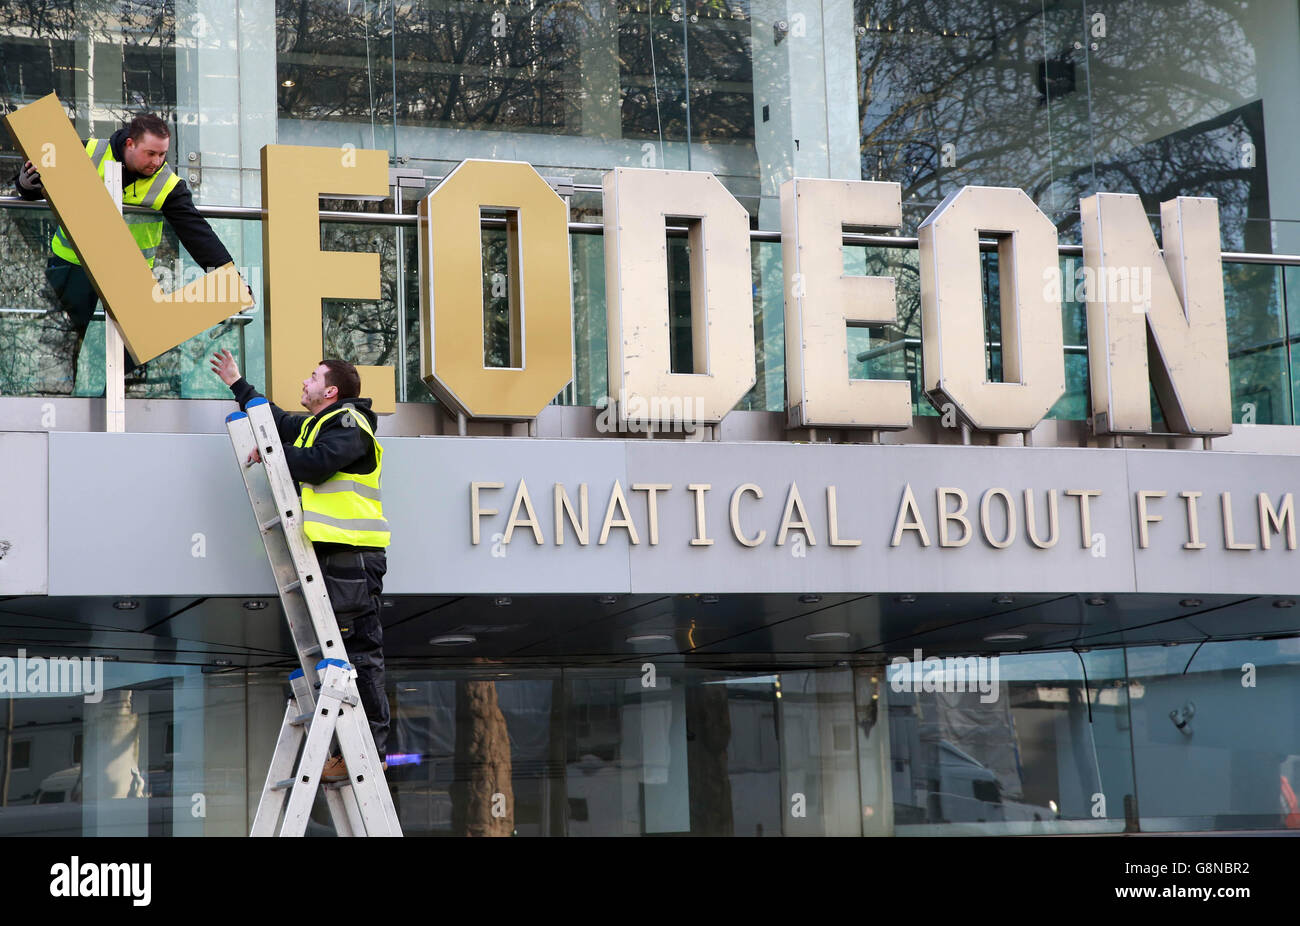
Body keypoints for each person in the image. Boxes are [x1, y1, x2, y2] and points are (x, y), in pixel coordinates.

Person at [210, 348, 390, 780]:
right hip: (330, 554)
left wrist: (271, 454)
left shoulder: (350, 425)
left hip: (352, 556)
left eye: (313, 377)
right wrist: (238, 383)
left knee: (359, 655)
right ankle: (348, 747)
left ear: (331, 390)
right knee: (336, 656)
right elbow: (277, 421)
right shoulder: (316, 425)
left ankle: (369, 751)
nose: (304, 382)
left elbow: (319, 464)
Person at [13, 112, 247, 385]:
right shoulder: (86, 151)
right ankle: (56, 396)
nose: (157, 162)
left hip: (129, 277)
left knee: (144, 343)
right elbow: (37, 178)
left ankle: (109, 398)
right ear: (129, 145)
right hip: (73, 265)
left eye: (162, 154)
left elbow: (198, 235)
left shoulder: (168, 185)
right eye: (150, 153)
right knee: (60, 341)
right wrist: (25, 185)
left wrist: (231, 279)